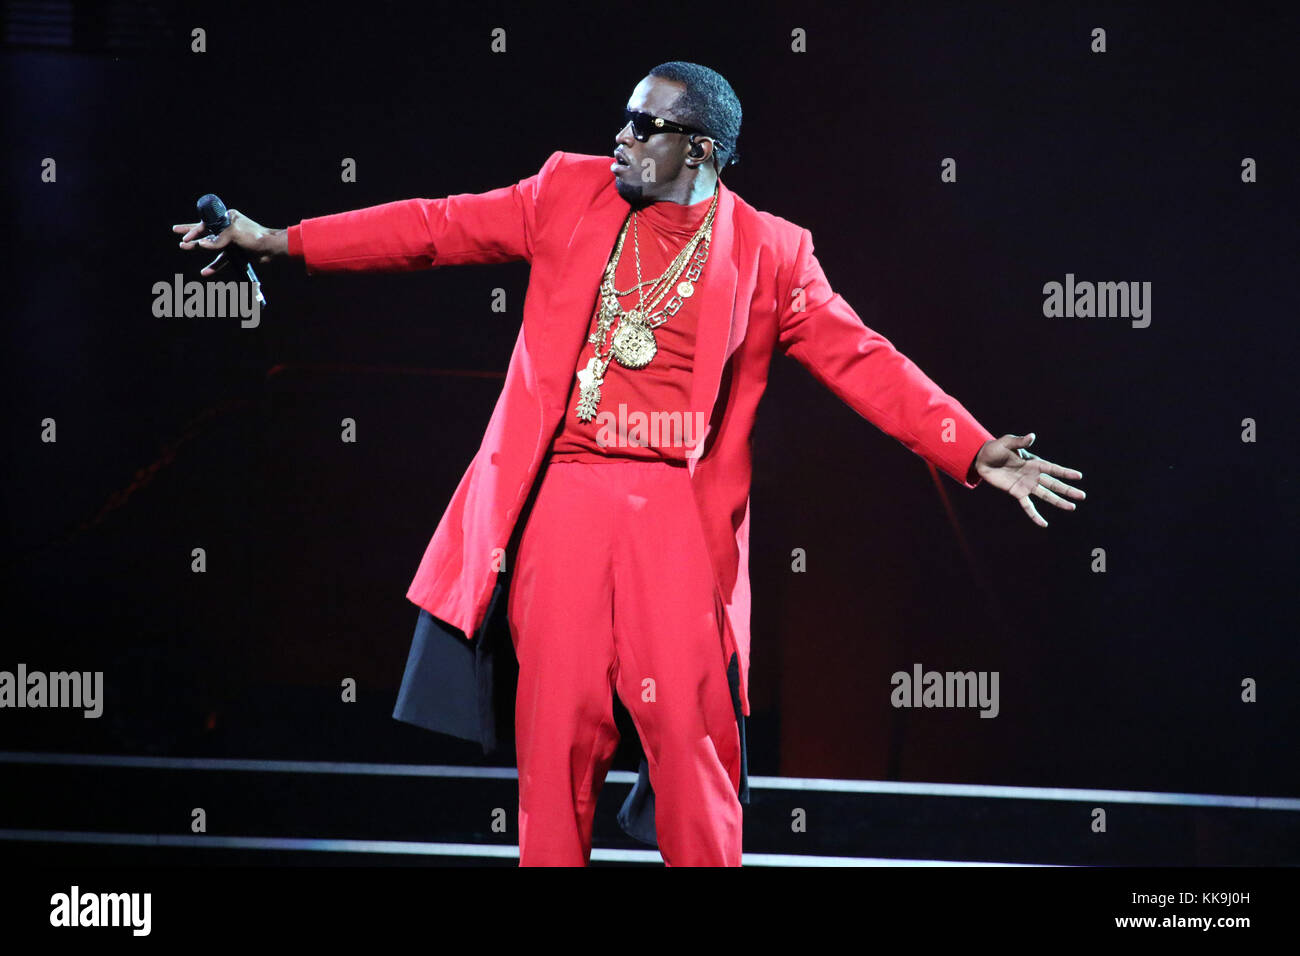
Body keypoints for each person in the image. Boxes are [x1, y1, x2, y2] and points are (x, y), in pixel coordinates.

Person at [173, 61, 1085, 866]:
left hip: (678, 524)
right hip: (561, 503)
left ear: (702, 150)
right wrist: (278, 241)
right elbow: (433, 227)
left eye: (644, 125)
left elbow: (861, 356)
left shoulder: (771, 251)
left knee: (693, 746)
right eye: (625, 118)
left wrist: (970, 445)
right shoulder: (567, 192)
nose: (621, 136)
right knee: (557, 741)